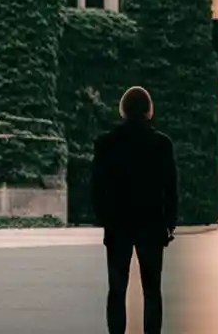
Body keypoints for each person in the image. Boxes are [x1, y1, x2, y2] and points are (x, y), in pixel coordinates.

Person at [91, 85, 178, 334]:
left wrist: (104, 218)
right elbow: (170, 188)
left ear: (122, 110)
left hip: (118, 224)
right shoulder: (162, 144)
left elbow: (97, 186)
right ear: (149, 110)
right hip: (151, 224)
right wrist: (169, 223)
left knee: (117, 290)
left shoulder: (106, 143)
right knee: (152, 291)